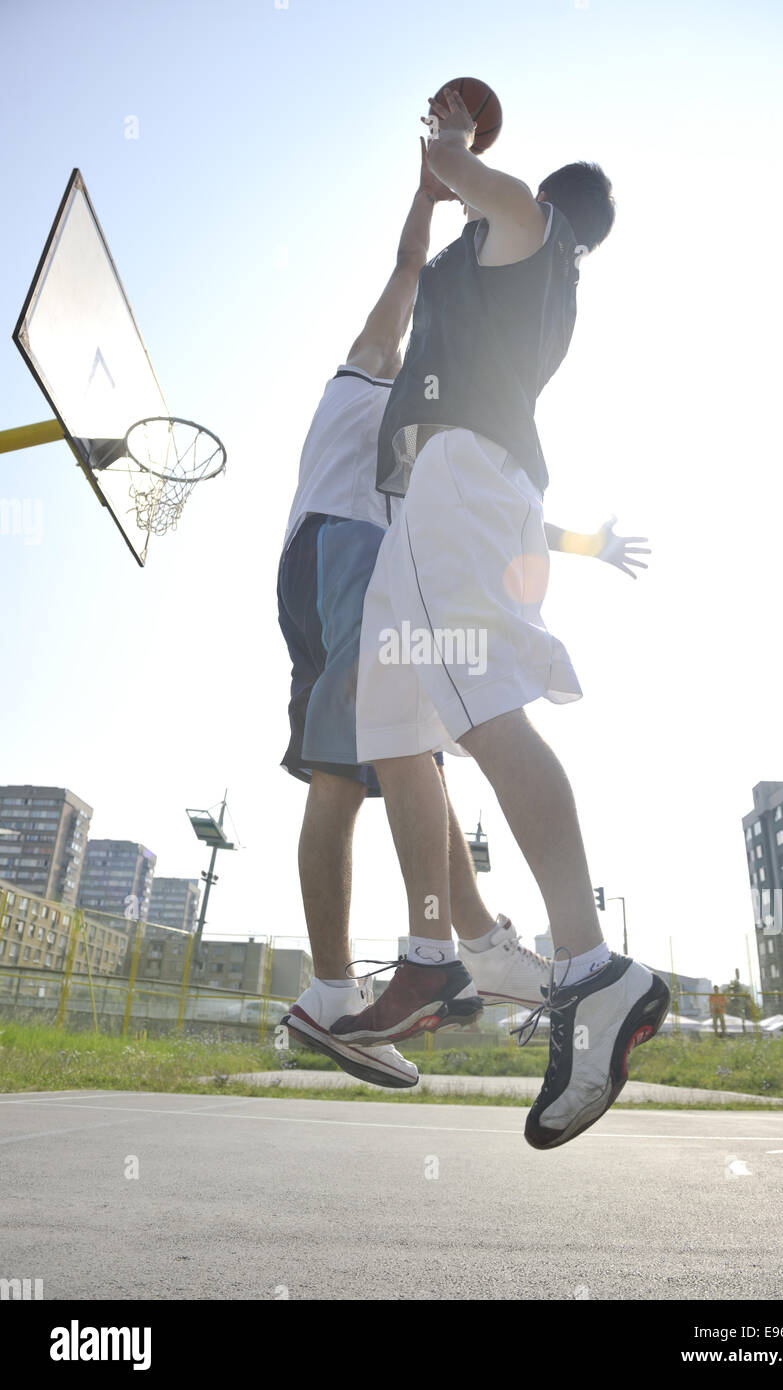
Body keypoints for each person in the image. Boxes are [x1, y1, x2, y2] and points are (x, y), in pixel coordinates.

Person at [332, 88, 669, 1149]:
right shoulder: (469, 266)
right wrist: (432, 175)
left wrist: (453, 138)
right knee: (390, 723)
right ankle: (435, 955)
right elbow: (422, 225)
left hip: (461, 480)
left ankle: (589, 966)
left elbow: (475, 184)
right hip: (436, 493)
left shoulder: (529, 227)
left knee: (482, 711)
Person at [276, 141, 569, 1090]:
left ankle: (427, 960)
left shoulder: (410, 423)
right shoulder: (367, 372)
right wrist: (426, 191)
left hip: (347, 558)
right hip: (346, 548)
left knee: (387, 750)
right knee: (379, 755)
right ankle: (428, 959)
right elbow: (409, 270)